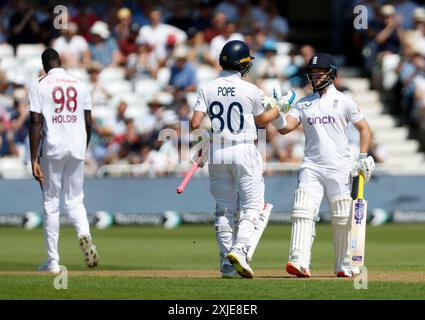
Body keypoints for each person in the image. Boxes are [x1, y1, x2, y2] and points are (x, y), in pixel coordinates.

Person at [190, 40, 294, 279]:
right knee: (253, 207)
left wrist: (206, 140)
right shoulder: (251, 89)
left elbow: (195, 124)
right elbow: (262, 121)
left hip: (218, 152)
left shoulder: (207, 88)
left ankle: (227, 266)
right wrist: (280, 107)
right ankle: (239, 249)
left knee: (224, 210)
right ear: (243, 65)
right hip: (244, 149)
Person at [271, 53, 375, 278]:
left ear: (332, 74)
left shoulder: (345, 101)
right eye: (313, 73)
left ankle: (345, 265)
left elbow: (365, 129)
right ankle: (299, 262)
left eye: (320, 73)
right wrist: (277, 111)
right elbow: (284, 128)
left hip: (340, 167)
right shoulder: (304, 103)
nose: (315, 77)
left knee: (342, 216)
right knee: (303, 210)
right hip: (312, 166)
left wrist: (364, 156)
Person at [28, 48, 99, 274]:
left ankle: (53, 262)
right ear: (60, 62)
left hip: (53, 147)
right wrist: (83, 148)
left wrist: (32, 158)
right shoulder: (79, 83)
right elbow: (88, 121)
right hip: (77, 146)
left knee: (51, 203)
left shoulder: (39, 84)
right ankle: (84, 236)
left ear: (44, 65)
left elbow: (36, 122)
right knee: (75, 200)